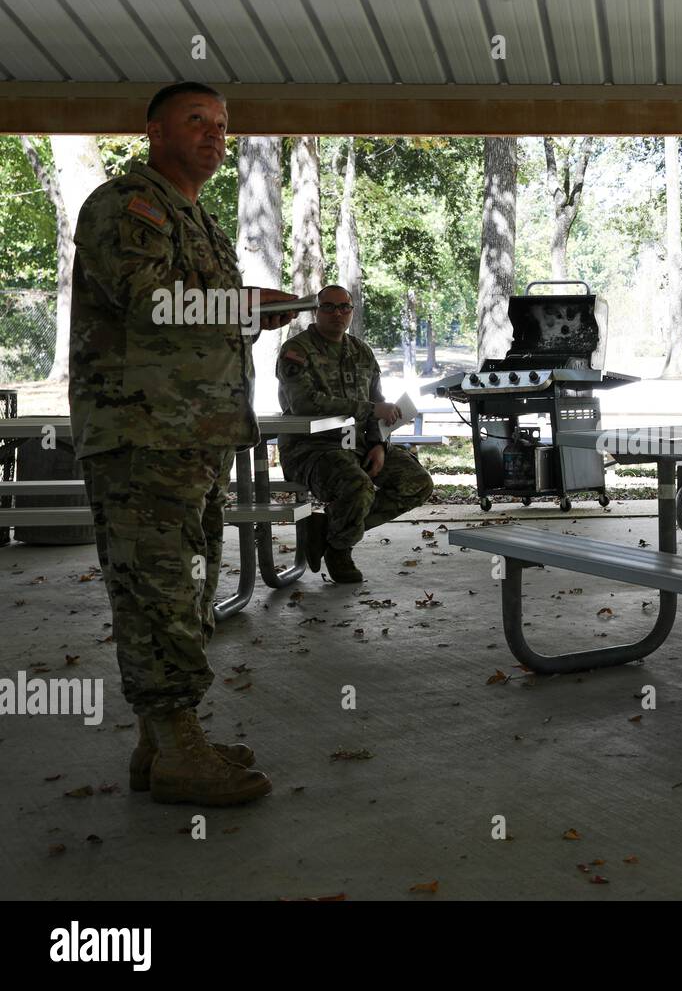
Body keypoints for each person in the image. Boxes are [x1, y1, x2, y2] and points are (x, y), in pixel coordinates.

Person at [70, 82, 296, 806]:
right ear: (155, 132)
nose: (214, 135)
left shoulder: (201, 222)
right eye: (196, 121)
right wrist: (248, 303)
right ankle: (179, 746)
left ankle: (160, 745)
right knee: (156, 591)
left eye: (223, 124)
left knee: (185, 591)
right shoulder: (125, 205)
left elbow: (207, 320)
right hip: (143, 437)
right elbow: (151, 297)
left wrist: (251, 311)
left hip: (195, 440)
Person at [276, 285, 434, 584]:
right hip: (310, 449)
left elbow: (379, 400)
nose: (337, 313)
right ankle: (340, 548)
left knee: (417, 483)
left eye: (344, 307)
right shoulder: (297, 350)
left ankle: (328, 533)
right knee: (357, 486)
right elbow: (304, 403)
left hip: (358, 445)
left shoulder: (360, 351)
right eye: (329, 307)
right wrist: (369, 409)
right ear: (316, 310)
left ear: (351, 311)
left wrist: (378, 444)